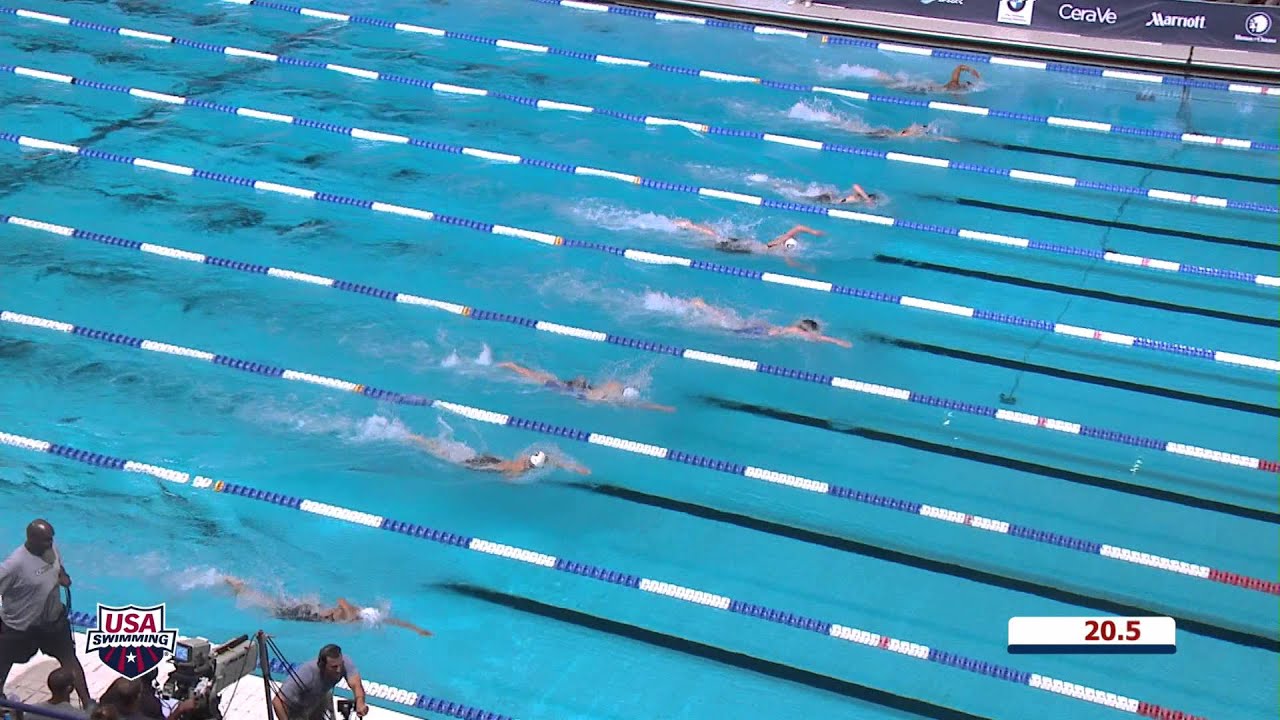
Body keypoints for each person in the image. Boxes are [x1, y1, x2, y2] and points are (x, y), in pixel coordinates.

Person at [0, 520, 91, 711]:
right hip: (21, 627)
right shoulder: (13, 565)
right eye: (46, 541)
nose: (50, 544)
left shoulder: (52, 550)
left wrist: (64, 578)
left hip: (52, 622)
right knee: (4, 660)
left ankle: (88, 704)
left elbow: (59, 570)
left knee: (69, 659)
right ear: (31, 539)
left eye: (51, 539)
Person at [221, 578, 432, 637]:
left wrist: (416, 629)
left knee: (273, 606)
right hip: (307, 613)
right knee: (271, 608)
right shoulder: (351, 613)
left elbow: (392, 621)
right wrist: (348, 612)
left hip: (309, 612)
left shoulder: (354, 614)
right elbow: (341, 600)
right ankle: (239, 587)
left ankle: (240, 588)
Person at [496, 362, 675, 412]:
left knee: (541, 377)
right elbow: (640, 405)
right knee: (538, 379)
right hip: (578, 392)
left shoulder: (616, 386)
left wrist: (661, 407)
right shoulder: (612, 399)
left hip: (583, 388)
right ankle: (512, 366)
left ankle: (512, 366)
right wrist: (660, 407)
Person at [406, 434, 590, 479]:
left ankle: (420, 439)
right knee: (445, 454)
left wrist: (576, 468)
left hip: (492, 459)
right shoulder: (520, 470)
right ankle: (417, 439)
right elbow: (507, 479)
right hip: (485, 465)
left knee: (450, 449)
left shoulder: (525, 458)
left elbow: (553, 460)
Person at [686, 298, 852, 347]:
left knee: (729, 321)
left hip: (761, 329)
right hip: (759, 333)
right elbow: (817, 338)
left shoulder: (788, 329)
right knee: (726, 325)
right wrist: (838, 341)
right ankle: (701, 305)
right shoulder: (794, 331)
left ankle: (702, 306)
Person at [272, 645, 367, 720]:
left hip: (319, 696)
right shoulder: (307, 673)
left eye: (340, 665)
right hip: (297, 706)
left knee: (326, 697)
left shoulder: (345, 662)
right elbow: (277, 702)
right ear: (322, 666)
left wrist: (360, 702)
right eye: (334, 667)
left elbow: (356, 684)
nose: (339, 670)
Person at [674, 220, 822, 268]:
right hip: (743, 248)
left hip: (746, 244)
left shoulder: (778, 242)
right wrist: (805, 267)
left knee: (718, 237)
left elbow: (798, 228)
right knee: (711, 243)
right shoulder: (779, 248)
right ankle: (690, 226)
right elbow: (790, 263)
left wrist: (814, 232)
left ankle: (691, 226)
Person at [873, 63, 981, 94]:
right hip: (924, 89)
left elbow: (959, 67)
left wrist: (970, 70)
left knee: (899, 83)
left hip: (925, 86)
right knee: (894, 86)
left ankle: (883, 77)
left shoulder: (954, 84)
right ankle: (881, 78)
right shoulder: (954, 86)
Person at [808, 183, 878, 206]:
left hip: (831, 199)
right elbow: (855, 185)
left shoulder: (858, 200)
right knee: (806, 199)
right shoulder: (857, 198)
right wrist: (867, 199)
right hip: (827, 199)